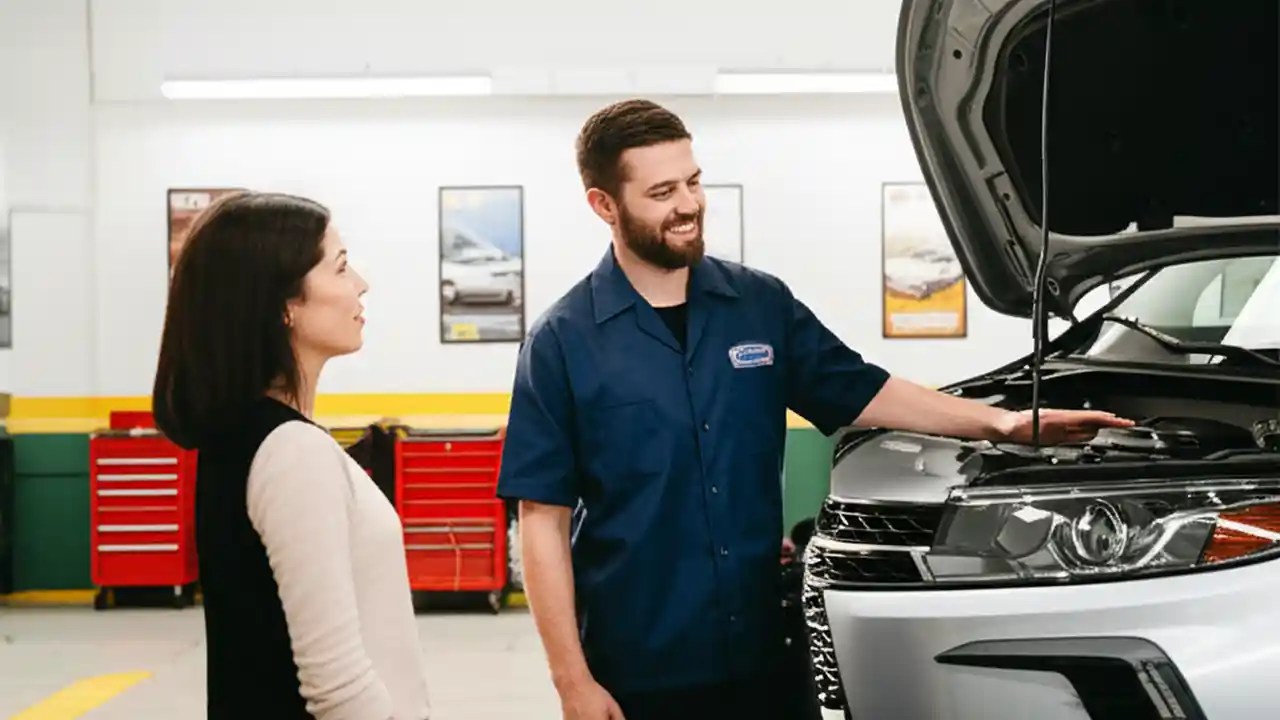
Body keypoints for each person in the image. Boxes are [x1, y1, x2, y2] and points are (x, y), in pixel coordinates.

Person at [496, 99, 1134, 720]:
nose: (688, 205)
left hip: (765, 659)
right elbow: (541, 518)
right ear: (604, 205)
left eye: (693, 182)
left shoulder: (757, 305)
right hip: (640, 666)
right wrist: (571, 680)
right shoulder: (563, 342)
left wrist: (1002, 422)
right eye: (662, 193)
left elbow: (863, 389)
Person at [152, 191, 431, 720]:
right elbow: (336, 684)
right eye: (341, 268)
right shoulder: (292, 452)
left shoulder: (247, 436)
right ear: (284, 305)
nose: (361, 285)